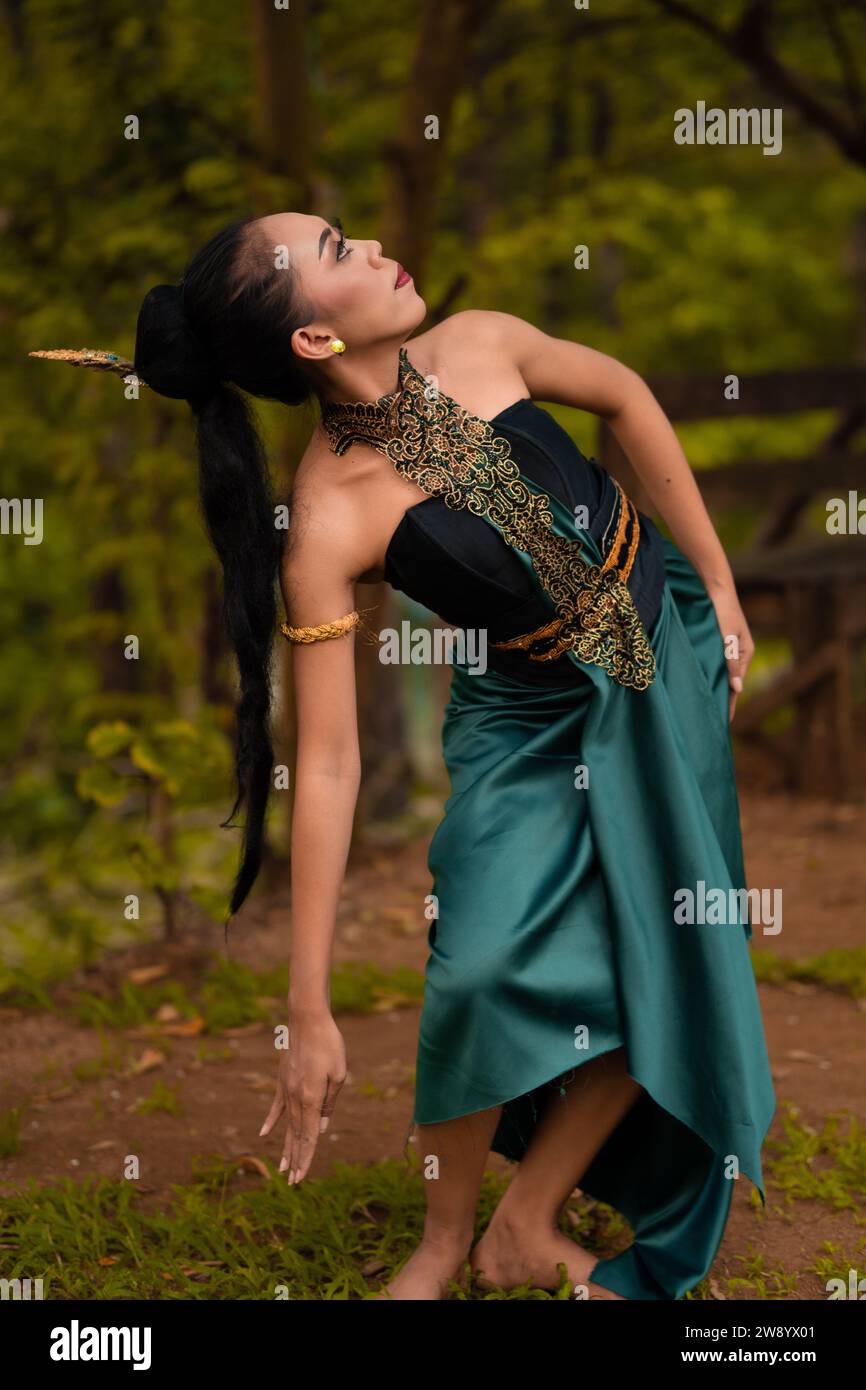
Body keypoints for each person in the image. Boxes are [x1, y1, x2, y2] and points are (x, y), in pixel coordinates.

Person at [32, 211, 776, 1301]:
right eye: (338, 255)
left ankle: (519, 1225)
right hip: (523, 717)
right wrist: (308, 1005)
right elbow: (326, 764)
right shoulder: (328, 518)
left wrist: (713, 583)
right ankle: (438, 1242)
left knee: (663, 955)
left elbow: (623, 393)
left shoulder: (482, 339)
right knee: (477, 966)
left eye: (347, 232)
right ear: (313, 344)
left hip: (657, 661)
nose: (375, 247)